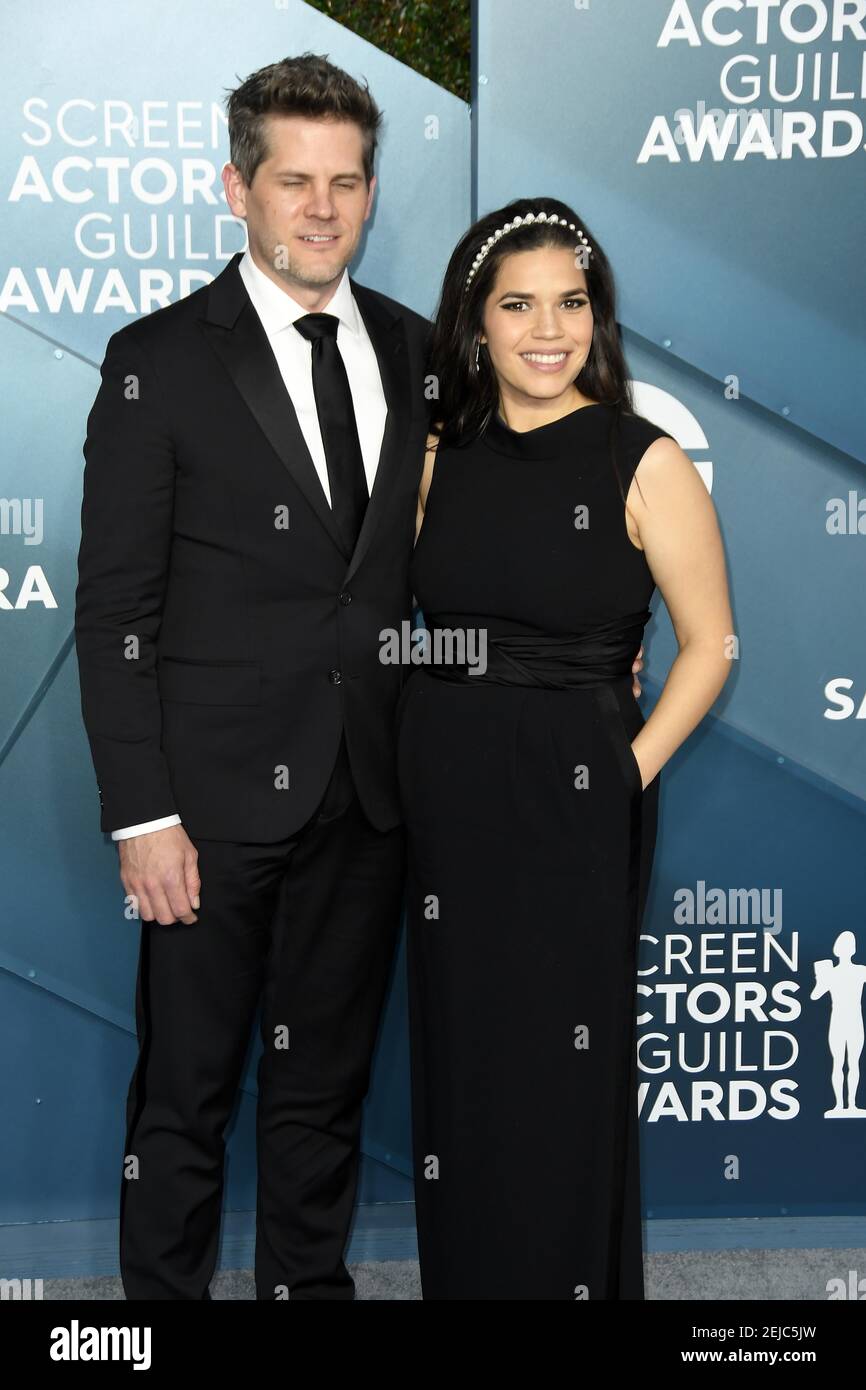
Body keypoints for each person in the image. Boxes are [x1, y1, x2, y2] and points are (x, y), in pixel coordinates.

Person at [74, 53, 433, 1300]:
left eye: (345, 181)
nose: (321, 208)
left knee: (322, 1095)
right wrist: (142, 813)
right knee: (185, 1097)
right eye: (293, 181)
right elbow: (116, 608)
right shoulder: (157, 361)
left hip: (368, 800)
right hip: (206, 813)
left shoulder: (415, 353)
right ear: (237, 188)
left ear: (371, 192)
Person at [398, 197, 734, 1299]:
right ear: (475, 321)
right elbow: (396, 619)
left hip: (575, 798)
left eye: (571, 302)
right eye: (518, 303)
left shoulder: (644, 460)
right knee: (466, 1074)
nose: (549, 329)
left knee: (558, 1075)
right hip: (446, 795)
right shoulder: (436, 452)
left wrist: (621, 775)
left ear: (598, 316)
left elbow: (707, 646)